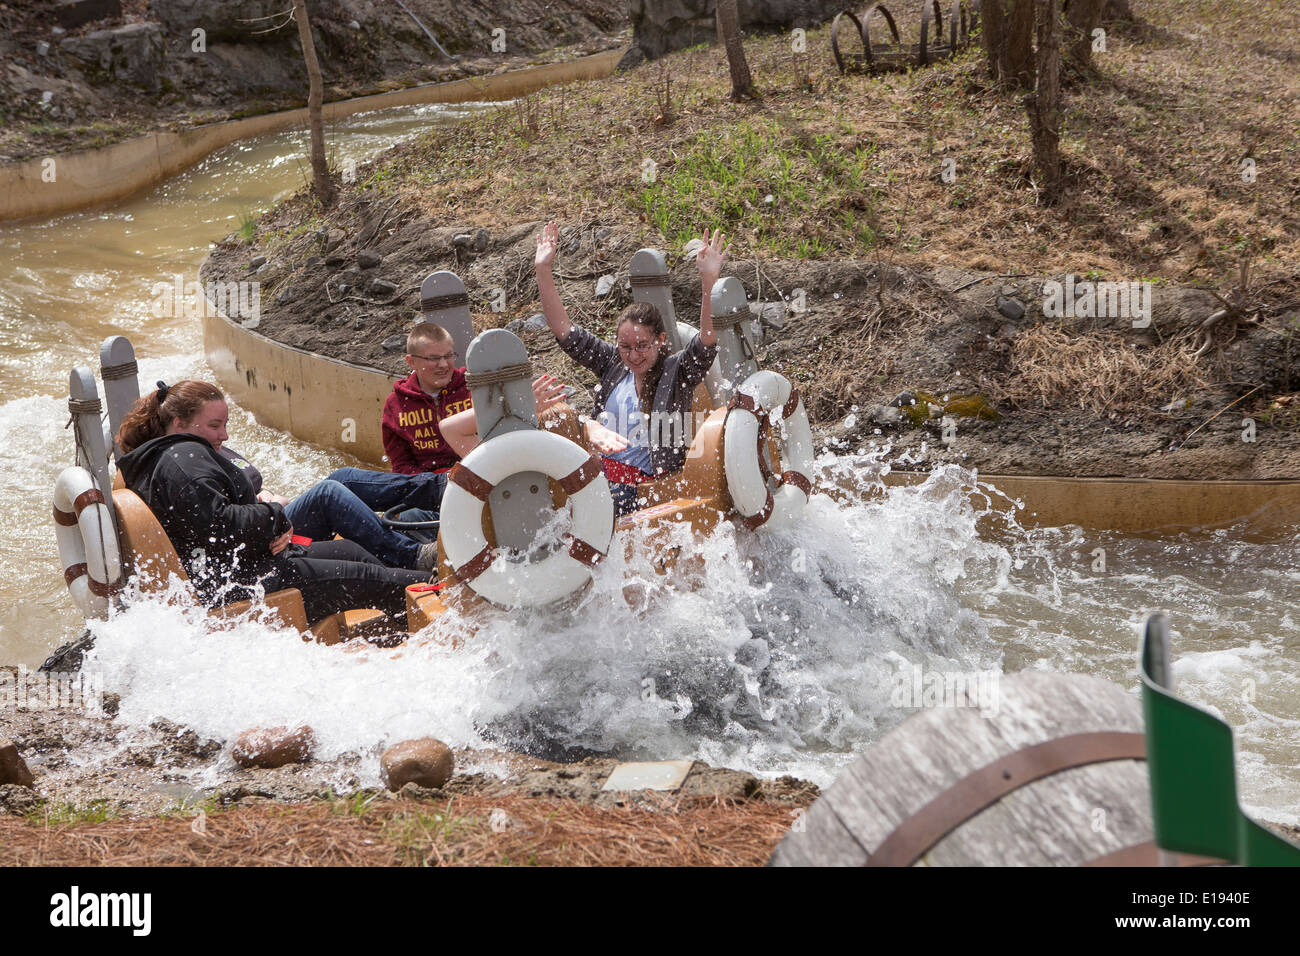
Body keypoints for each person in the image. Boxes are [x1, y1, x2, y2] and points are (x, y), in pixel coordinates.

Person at [116, 381, 429, 626]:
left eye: (225, 424)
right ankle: (436, 605)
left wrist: (271, 522)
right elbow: (219, 525)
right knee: (385, 581)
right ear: (178, 422)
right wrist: (275, 515)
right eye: (214, 426)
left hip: (250, 565)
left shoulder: (171, 456)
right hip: (247, 582)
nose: (223, 435)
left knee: (353, 552)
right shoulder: (184, 460)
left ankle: (398, 623)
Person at [534, 221, 727, 514]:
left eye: (642, 347)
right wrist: (543, 270)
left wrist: (708, 281)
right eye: (626, 347)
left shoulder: (677, 372)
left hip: (646, 489)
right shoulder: (613, 364)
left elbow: (707, 341)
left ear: (660, 341)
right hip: (601, 477)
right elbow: (564, 331)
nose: (633, 356)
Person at [328, 321, 567, 518]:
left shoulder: (475, 387)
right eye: (432, 359)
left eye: (448, 356)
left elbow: (506, 429)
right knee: (410, 515)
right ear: (411, 362)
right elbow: (401, 466)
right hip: (431, 488)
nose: (443, 365)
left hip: (480, 474)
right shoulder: (396, 405)